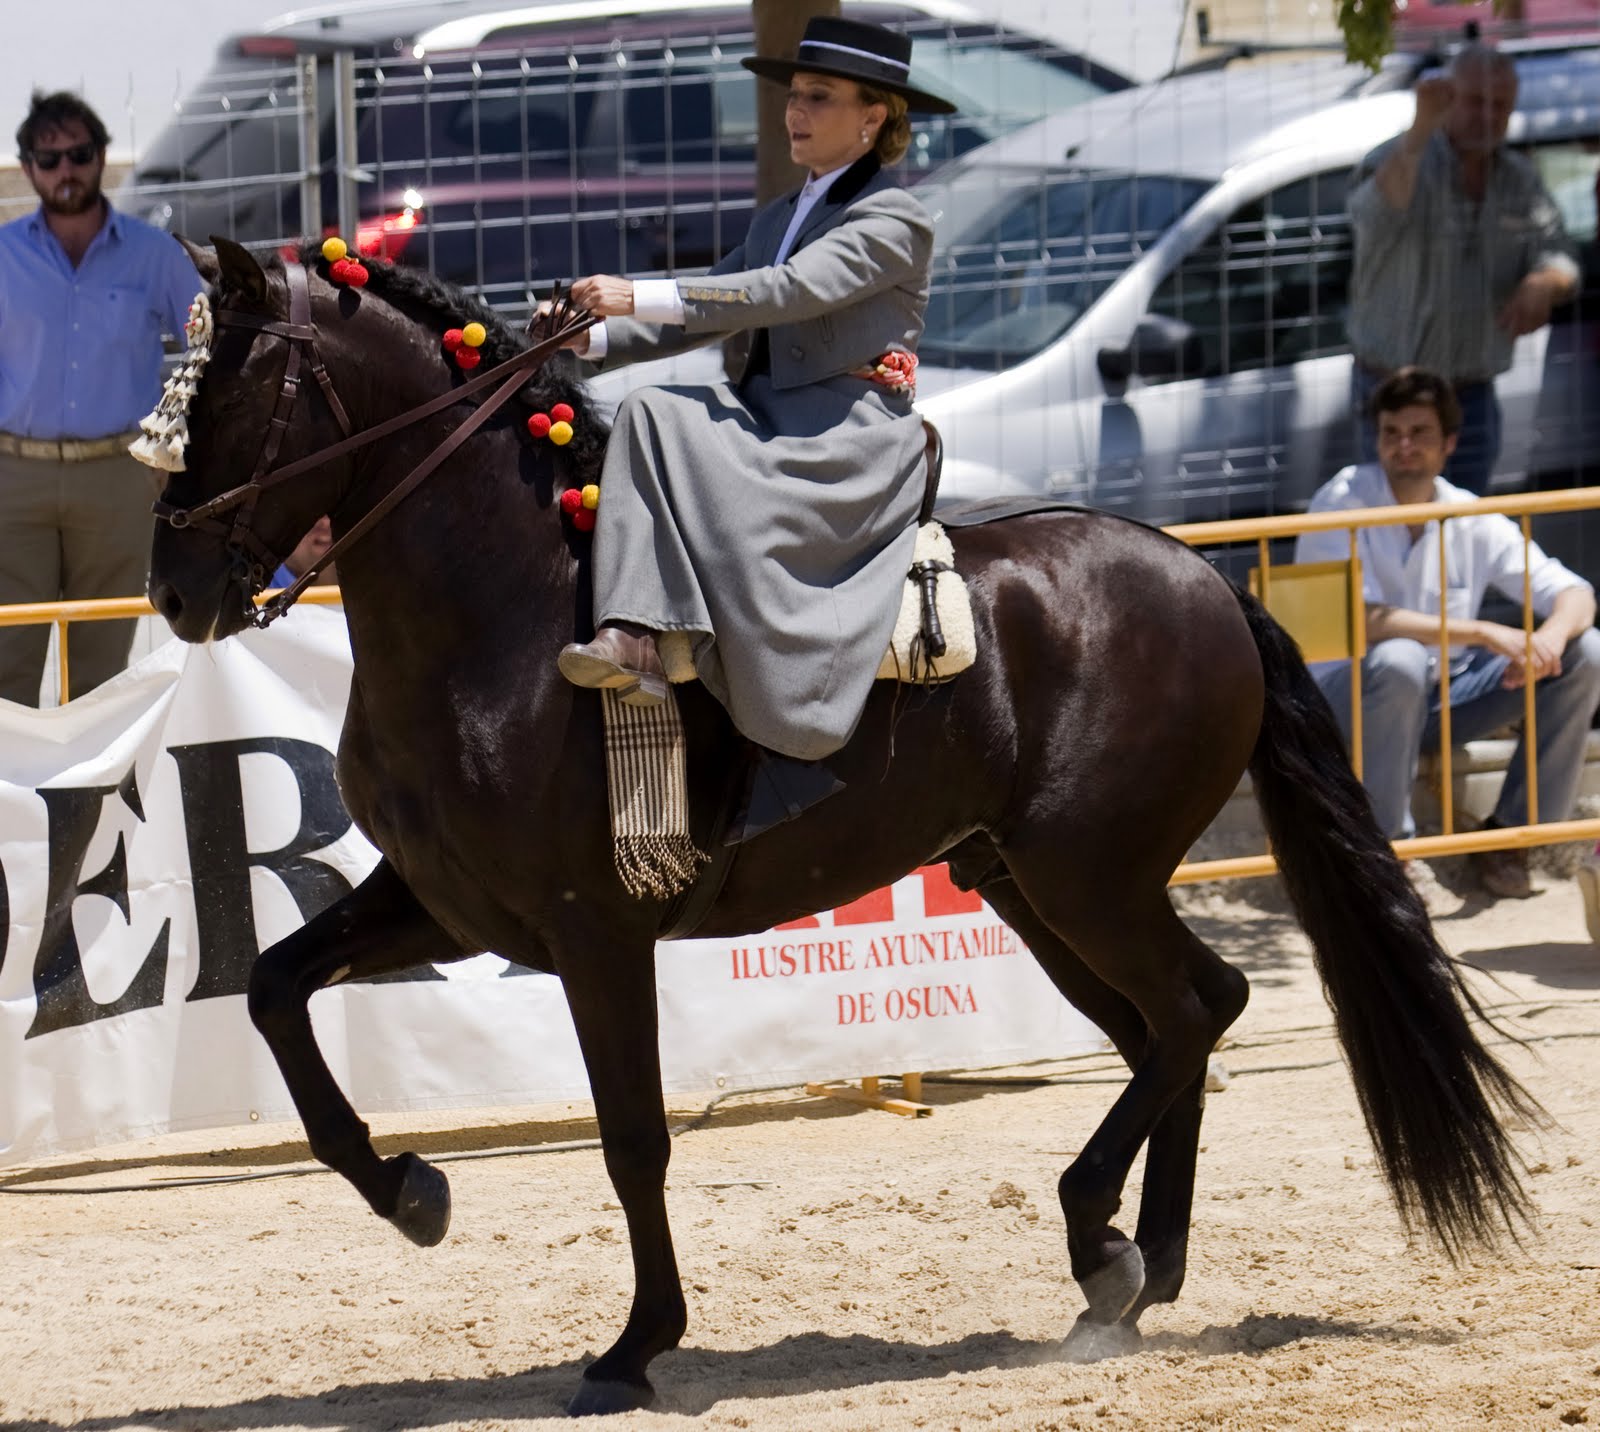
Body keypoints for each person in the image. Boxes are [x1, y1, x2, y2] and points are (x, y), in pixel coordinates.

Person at [550, 17, 953, 830]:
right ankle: (634, 636)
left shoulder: (894, 218)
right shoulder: (782, 213)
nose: (793, 111)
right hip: (770, 424)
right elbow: (714, 308)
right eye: (794, 95)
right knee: (654, 412)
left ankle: (638, 638)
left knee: (657, 415)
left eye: (818, 97)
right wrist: (580, 338)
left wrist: (636, 291)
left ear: (874, 117)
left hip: (845, 441)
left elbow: (781, 294)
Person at [1295, 366, 1600, 899]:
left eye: (1420, 433)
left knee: (1587, 652)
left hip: (1443, 699)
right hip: (1348, 702)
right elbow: (1351, 616)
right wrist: (1483, 632)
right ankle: (1391, 854)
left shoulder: (1468, 513)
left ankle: (1509, 840)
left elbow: (1577, 595)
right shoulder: (1341, 498)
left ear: (1450, 443)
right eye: (1392, 432)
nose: (1404, 445)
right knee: (1400, 660)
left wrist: (1549, 639)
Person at [0, 90, 199, 706]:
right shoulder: (2, 256)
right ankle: (12, 803)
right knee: (7, 666)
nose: (66, 170)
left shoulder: (155, 254)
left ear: (101, 155)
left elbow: (209, 343)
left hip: (119, 479)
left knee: (104, 673)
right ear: (29, 166)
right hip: (14, 480)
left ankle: (94, 805)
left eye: (79, 154)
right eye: (49, 158)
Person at [1345, 43, 1578, 495]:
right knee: (1386, 530)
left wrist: (1544, 283)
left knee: (1461, 532)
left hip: (1469, 399)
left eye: (1501, 106)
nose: (1488, 117)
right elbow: (1372, 218)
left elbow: (1561, 252)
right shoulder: (1402, 158)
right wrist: (1419, 131)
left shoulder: (1516, 178)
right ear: (1448, 97)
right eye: (1476, 101)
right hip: (1393, 397)